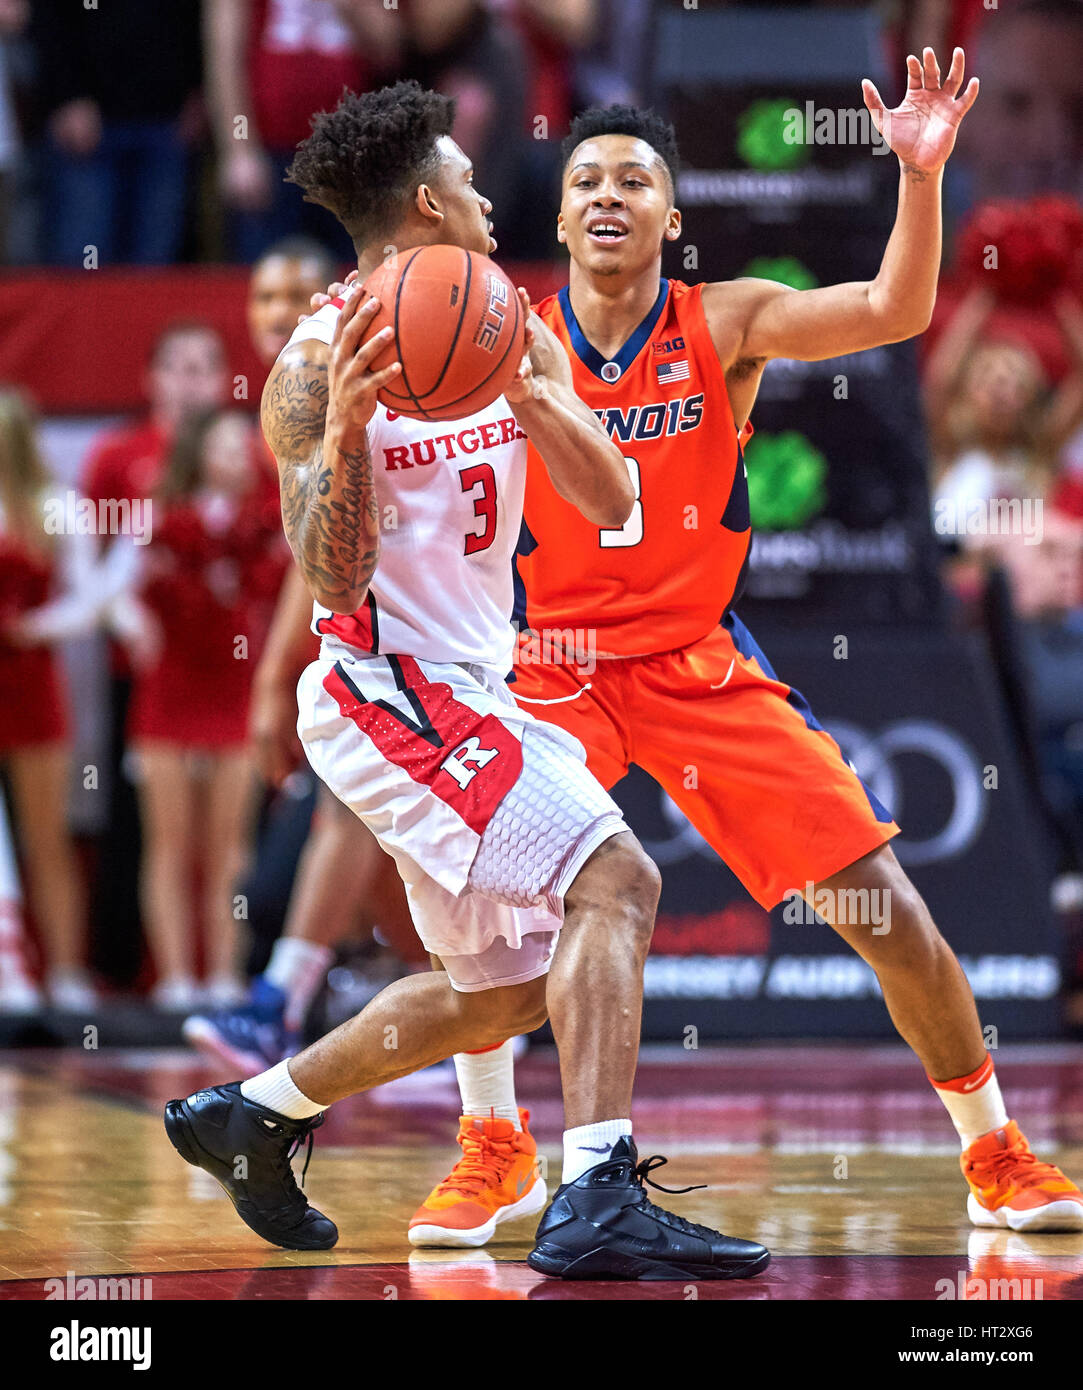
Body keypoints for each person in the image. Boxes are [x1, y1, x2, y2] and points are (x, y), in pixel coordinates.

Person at [427, 51, 1078, 1237]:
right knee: (476, 910)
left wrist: (920, 178)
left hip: (690, 661)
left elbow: (897, 310)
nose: (610, 196)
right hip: (549, 665)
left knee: (888, 912)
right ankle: (495, 1145)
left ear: (672, 214)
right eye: (587, 182)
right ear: (562, 213)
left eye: (634, 178)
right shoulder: (495, 335)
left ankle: (995, 1154)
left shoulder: (722, 319)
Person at [165, 80, 770, 1282]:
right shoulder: (313, 363)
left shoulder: (509, 318)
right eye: (475, 183)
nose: (498, 200)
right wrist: (342, 436)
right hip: (384, 688)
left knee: (504, 994)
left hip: (478, 686)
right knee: (620, 877)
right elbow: (331, 582)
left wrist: (536, 399)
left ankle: (258, 1114)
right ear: (433, 202)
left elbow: (611, 502)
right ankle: (597, 1187)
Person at [130, 407, 288, 1010]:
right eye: (225, 444)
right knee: (168, 842)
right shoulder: (157, 515)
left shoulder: (269, 519)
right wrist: (132, 624)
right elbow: (113, 588)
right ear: (197, 451)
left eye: (245, 444)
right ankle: (175, 979)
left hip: (237, 690)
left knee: (232, 843)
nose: (240, 455)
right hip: (169, 689)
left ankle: (223, 976)